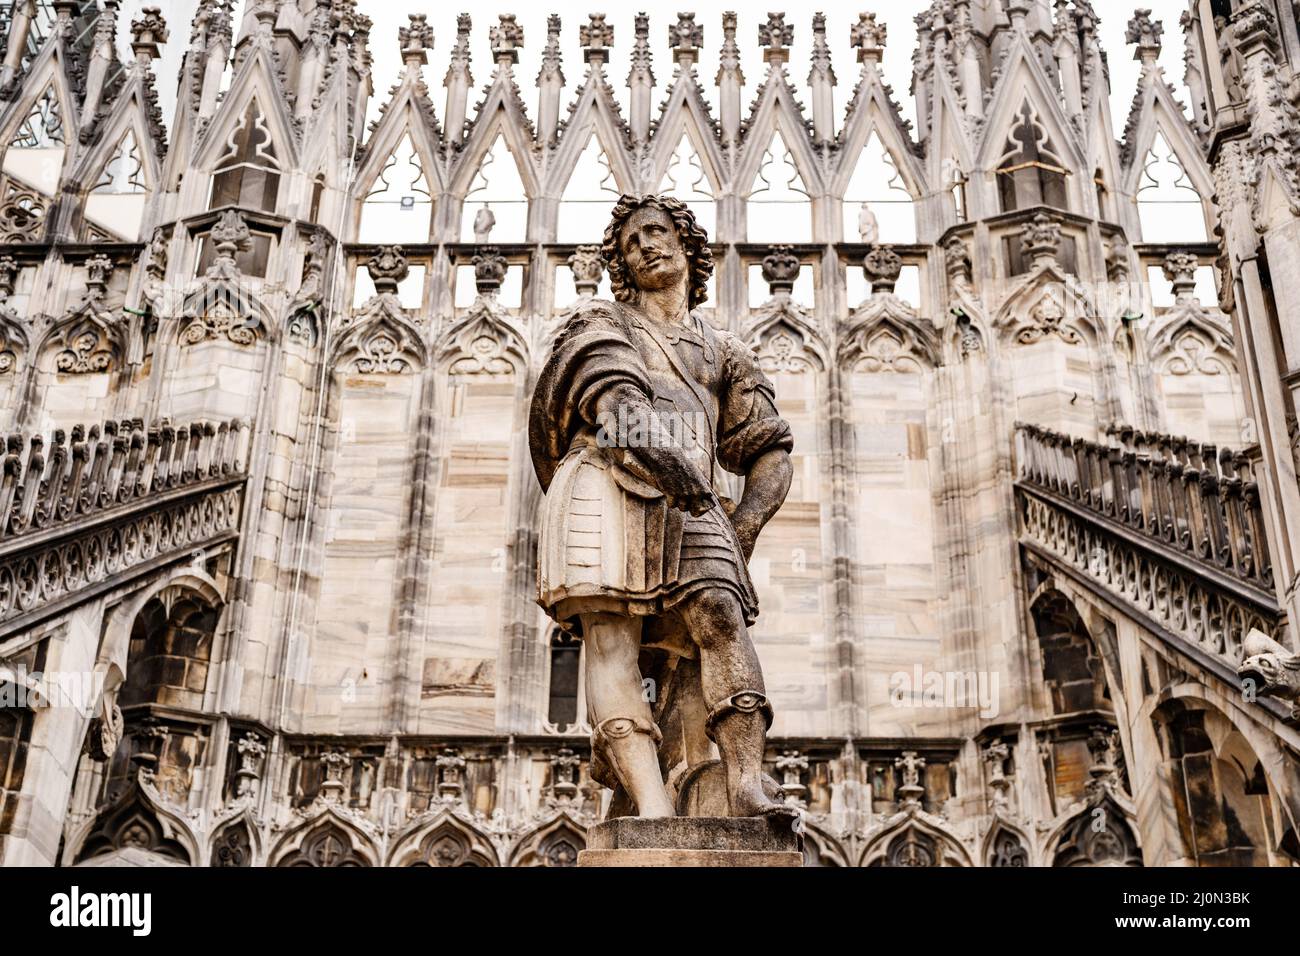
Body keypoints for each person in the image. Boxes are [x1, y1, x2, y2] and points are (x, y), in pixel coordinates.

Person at [529, 194, 795, 818]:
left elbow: (769, 447)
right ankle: (648, 805)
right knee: (617, 648)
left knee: (721, 617)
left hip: (692, 508)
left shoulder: (724, 351)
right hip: (617, 497)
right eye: (630, 243)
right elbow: (618, 413)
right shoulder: (602, 326)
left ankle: (745, 781)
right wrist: (694, 485)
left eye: (657, 232)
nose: (645, 245)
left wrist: (747, 520)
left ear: (686, 244)